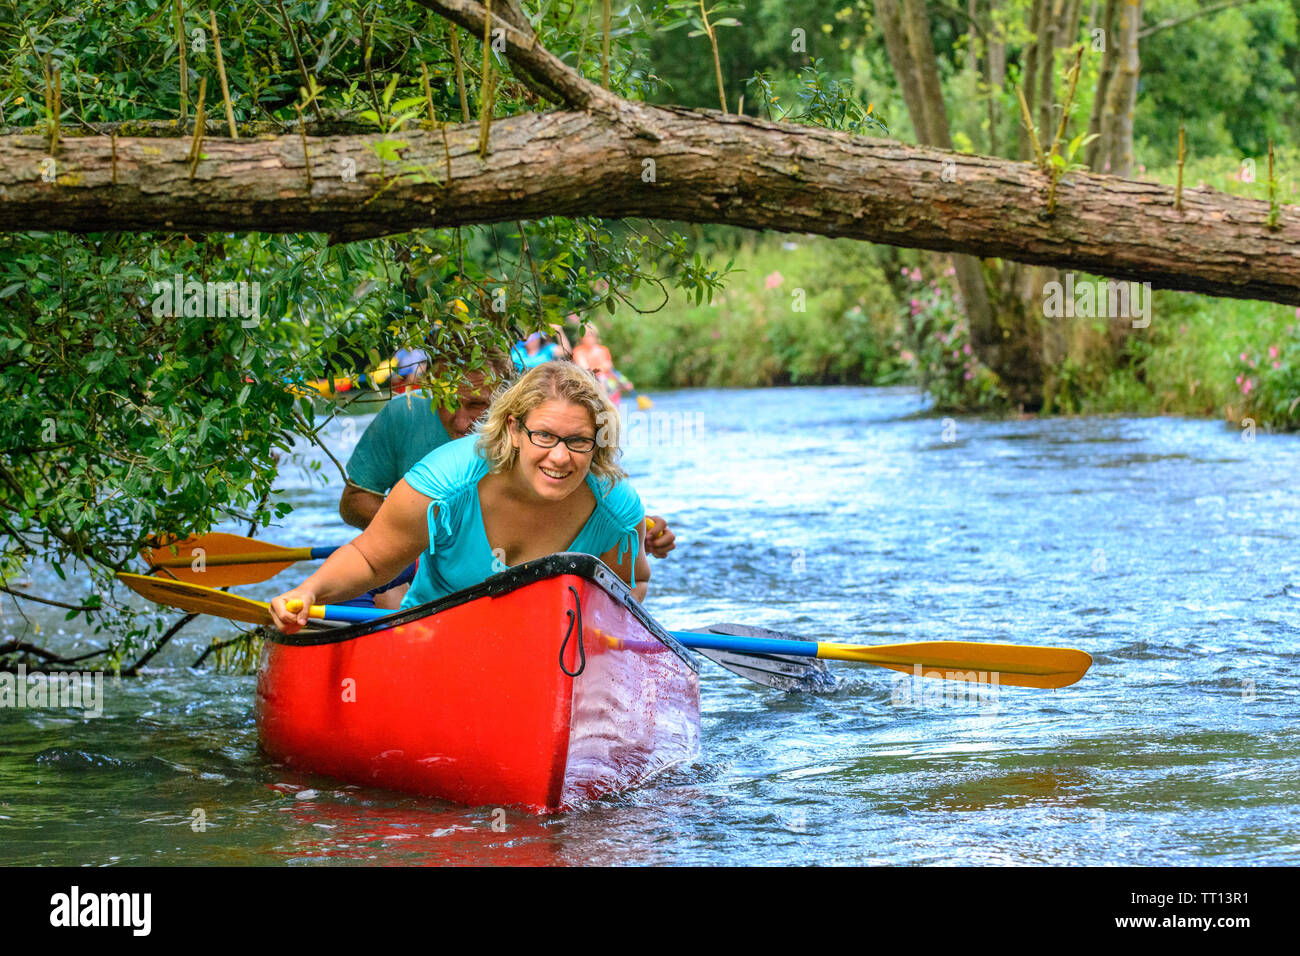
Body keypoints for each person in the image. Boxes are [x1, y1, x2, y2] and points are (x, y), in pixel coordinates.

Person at [272, 361, 650, 632]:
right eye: (545, 436)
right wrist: (309, 590)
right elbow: (371, 561)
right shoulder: (446, 480)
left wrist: (597, 631)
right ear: (514, 429)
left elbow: (632, 585)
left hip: (549, 653)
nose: (560, 456)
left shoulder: (616, 510)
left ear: (597, 442)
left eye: (578, 441)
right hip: (431, 637)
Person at [339, 351, 676, 609]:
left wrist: (639, 533)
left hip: (530, 590)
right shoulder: (405, 416)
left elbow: (603, 512)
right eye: (445, 403)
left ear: (506, 410)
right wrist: (423, 530)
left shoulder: (572, 461)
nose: (460, 420)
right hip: (423, 567)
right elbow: (354, 505)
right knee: (390, 590)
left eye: (476, 405)